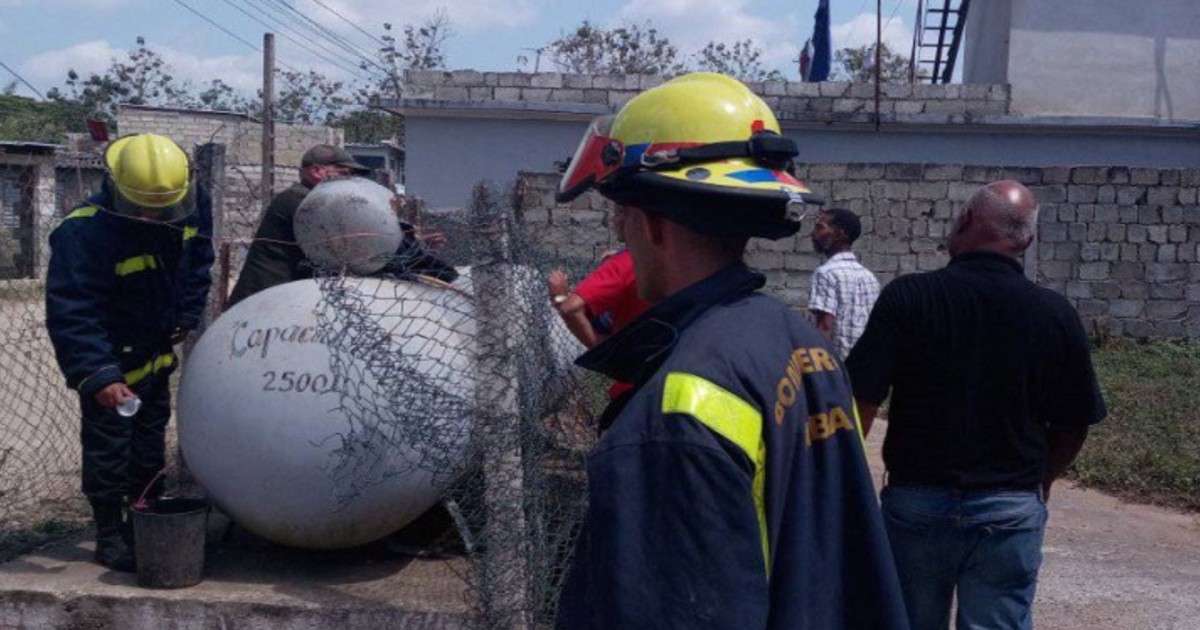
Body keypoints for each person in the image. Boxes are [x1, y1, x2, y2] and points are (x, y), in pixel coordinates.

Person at [554, 72, 908, 629]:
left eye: (620, 218)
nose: (622, 235)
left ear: (650, 224)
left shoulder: (675, 412)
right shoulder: (791, 338)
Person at [846, 180, 1107, 630]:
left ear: (965, 220)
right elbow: (1075, 421)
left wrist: (845, 487)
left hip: (917, 505)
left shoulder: (908, 297)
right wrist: (1039, 482)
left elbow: (861, 402)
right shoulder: (1054, 312)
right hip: (1010, 509)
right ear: (1024, 241)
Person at [45, 133, 214, 572]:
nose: (151, 215)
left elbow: (198, 262)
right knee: (109, 450)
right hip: (112, 360)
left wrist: (186, 313)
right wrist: (99, 374)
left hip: (155, 354)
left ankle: (143, 519)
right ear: (115, 186)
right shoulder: (82, 233)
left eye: (160, 207)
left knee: (148, 447)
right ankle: (108, 533)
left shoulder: (191, 205)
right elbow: (73, 311)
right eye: (141, 205)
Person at [228, 145, 455, 306]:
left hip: (281, 295)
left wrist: (414, 244)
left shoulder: (314, 199)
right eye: (344, 174)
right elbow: (357, 241)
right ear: (317, 171)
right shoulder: (307, 202)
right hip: (264, 298)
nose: (350, 182)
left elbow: (364, 240)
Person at [546, 243, 650, 404]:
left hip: (632, 387)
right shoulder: (685, 260)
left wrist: (559, 298)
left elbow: (571, 309)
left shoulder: (624, 263)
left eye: (620, 215)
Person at [808, 207, 879, 358]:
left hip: (838, 366)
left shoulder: (826, 273)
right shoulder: (869, 277)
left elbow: (825, 328)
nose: (813, 234)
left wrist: (818, 374)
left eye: (820, 228)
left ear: (839, 234)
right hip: (864, 364)